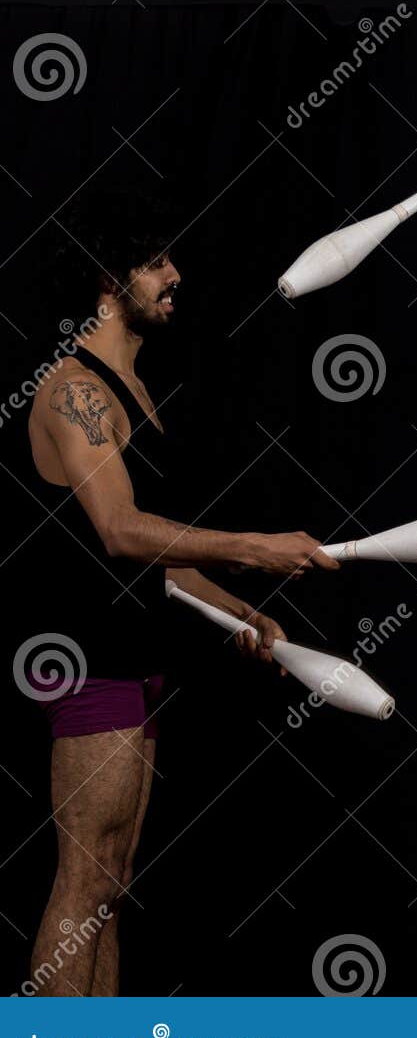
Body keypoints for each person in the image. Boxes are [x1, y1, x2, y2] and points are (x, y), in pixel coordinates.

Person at [16, 182, 337, 995]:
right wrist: (256, 547)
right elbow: (121, 529)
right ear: (107, 276)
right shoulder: (71, 390)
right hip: (90, 667)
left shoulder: (137, 392)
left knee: (112, 889)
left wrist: (240, 607)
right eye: (156, 261)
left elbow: (153, 558)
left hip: (139, 662)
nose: (175, 275)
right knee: (84, 882)